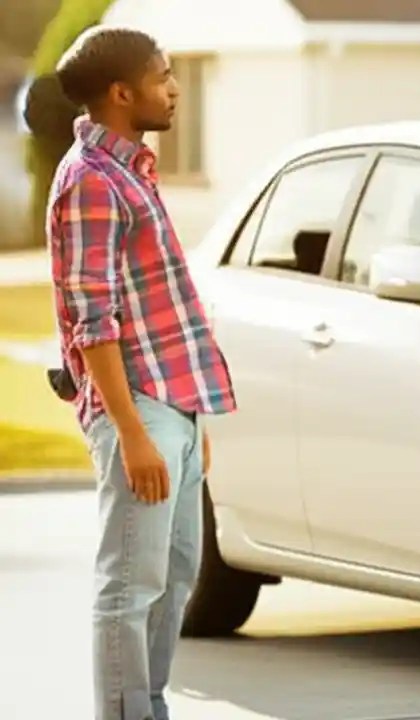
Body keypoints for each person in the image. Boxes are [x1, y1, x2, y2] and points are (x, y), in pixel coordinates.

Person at [47, 26, 237, 720]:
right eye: (162, 76)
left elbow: (158, 305)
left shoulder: (130, 171)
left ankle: (147, 707)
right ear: (121, 94)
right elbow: (93, 319)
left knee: (175, 576)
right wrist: (132, 432)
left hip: (173, 405)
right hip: (138, 409)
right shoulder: (92, 182)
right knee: (129, 587)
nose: (175, 88)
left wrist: (190, 416)